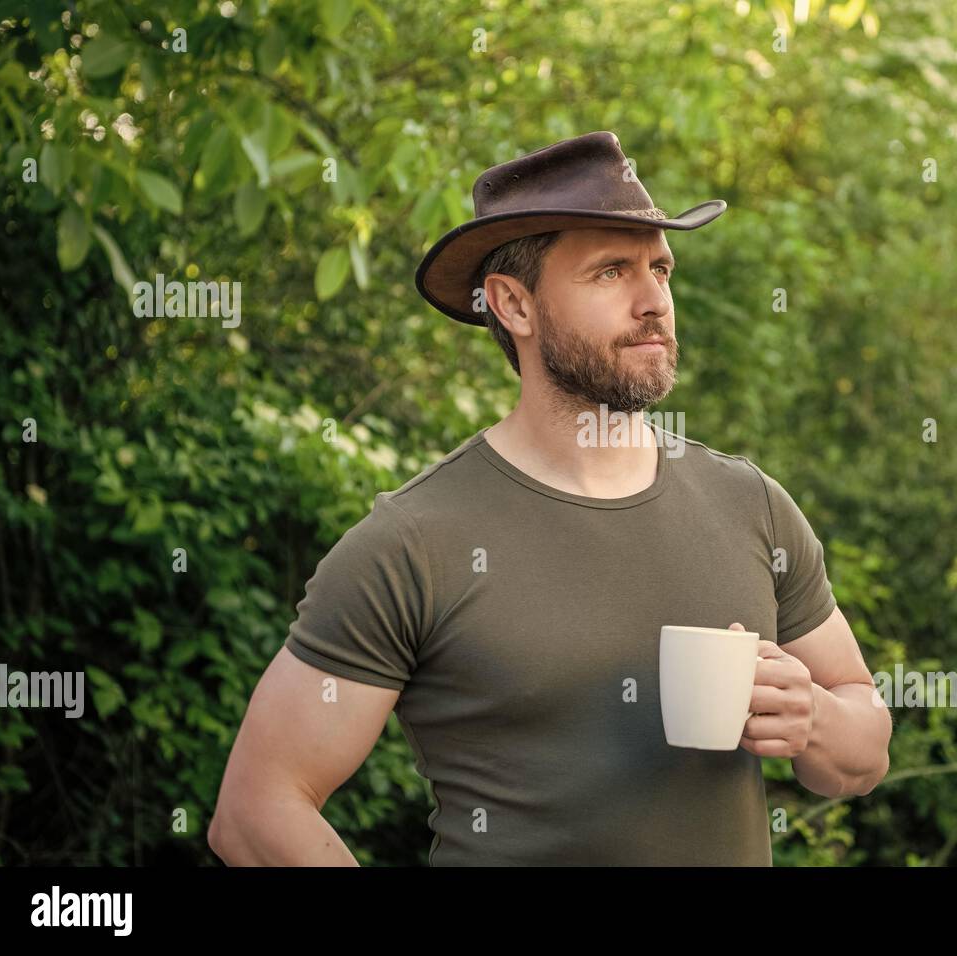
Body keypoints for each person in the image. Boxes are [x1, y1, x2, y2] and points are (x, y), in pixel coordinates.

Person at [208, 131, 891, 866]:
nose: (653, 301)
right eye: (611, 272)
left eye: (660, 269)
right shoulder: (414, 542)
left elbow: (863, 751)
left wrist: (813, 717)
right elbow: (256, 810)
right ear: (513, 304)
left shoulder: (750, 505)